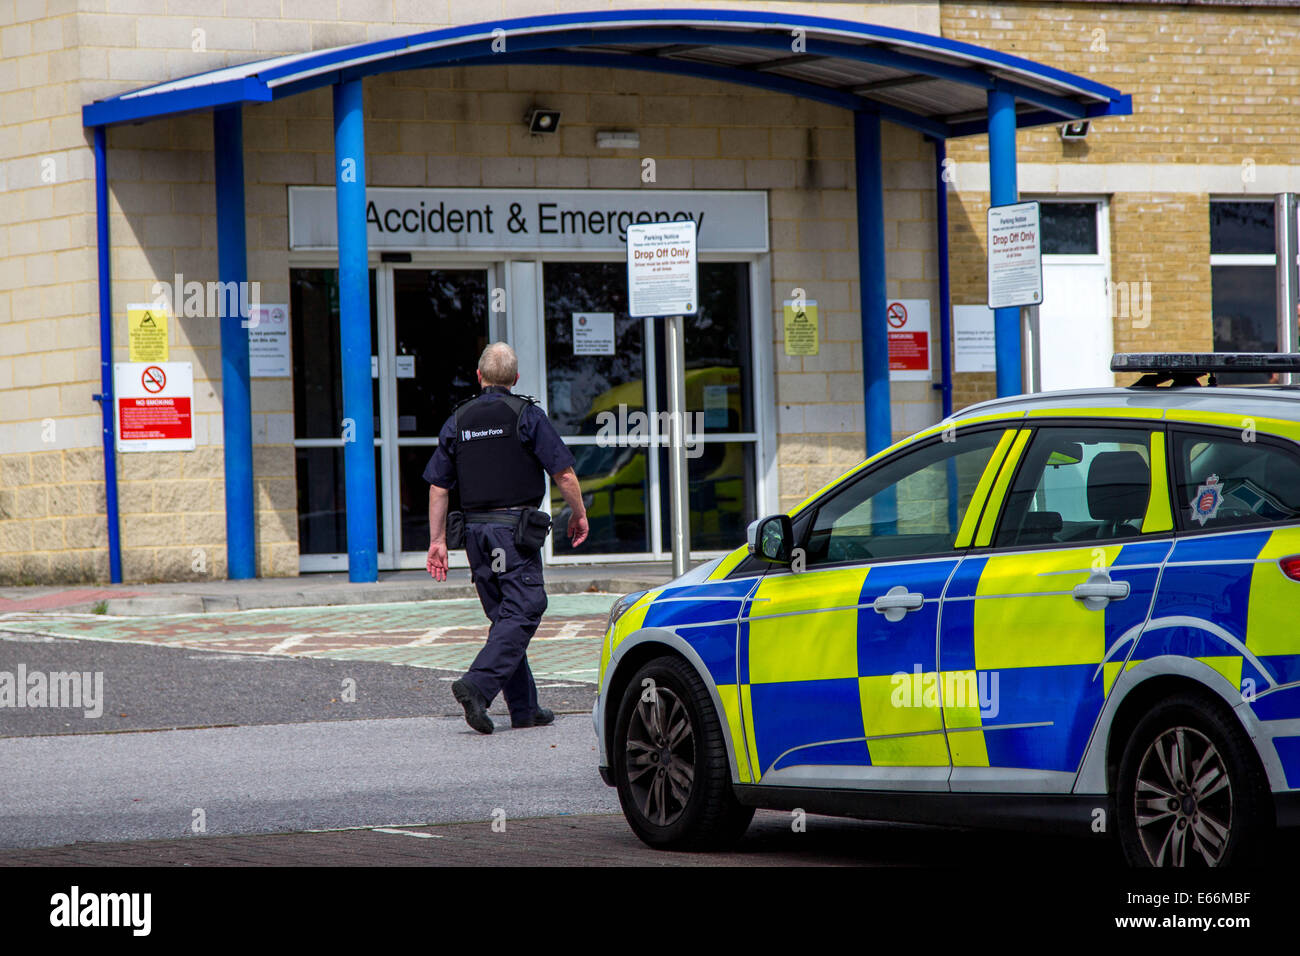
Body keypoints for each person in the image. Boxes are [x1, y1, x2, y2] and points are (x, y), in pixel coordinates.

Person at [424, 342, 589, 734]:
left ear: (479, 377)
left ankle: (524, 708)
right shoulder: (527, 415)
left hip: (476, 536)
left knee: (505, 616)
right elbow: (563, 474)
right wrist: (579, 514)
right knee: (527, 605)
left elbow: (438, 487)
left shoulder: (458, 419)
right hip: (513, 535)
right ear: (515, 380)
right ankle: (477, 686)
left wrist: (438, 541)